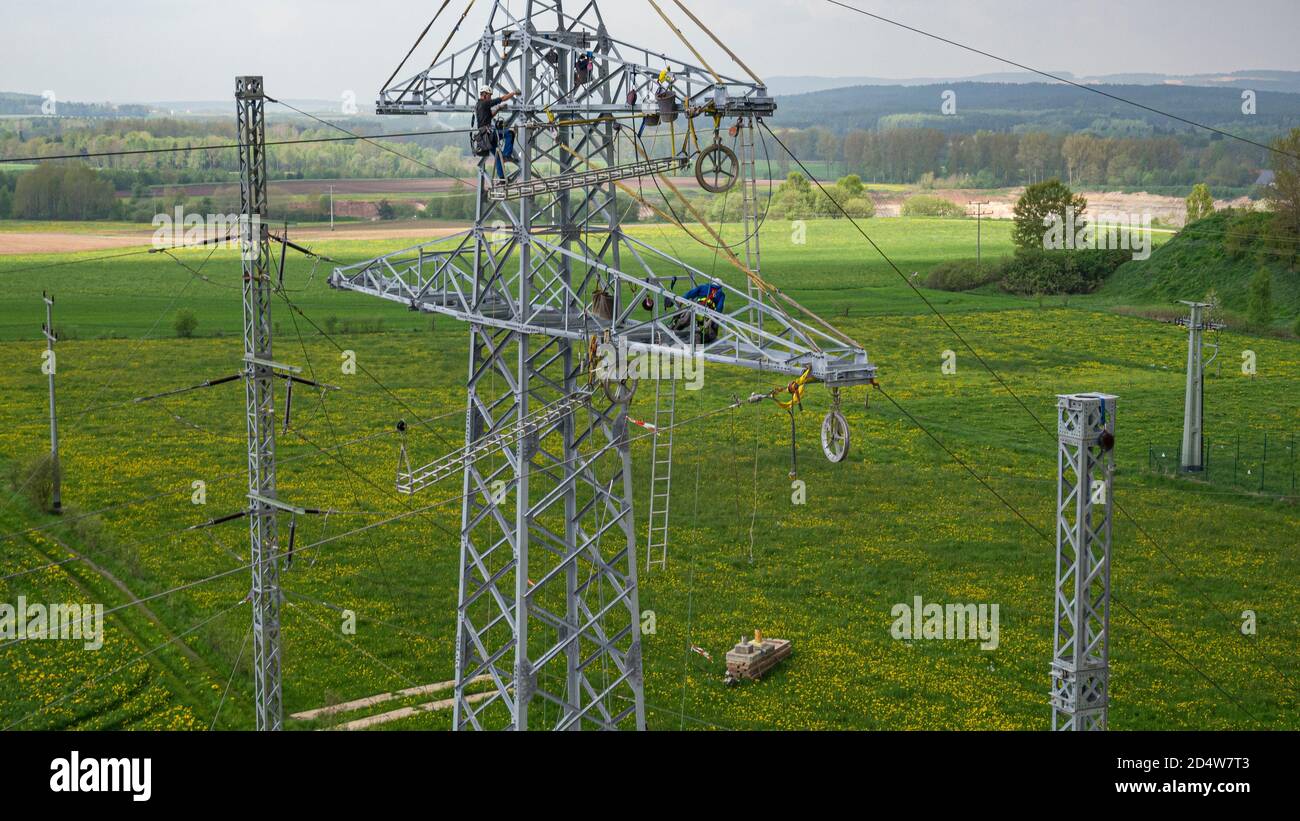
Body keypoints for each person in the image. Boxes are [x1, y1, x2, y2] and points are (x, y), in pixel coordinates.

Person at [474, 87, 519, 157]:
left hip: (485, 137)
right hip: (488, 134)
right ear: (485, 94)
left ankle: (502, 158)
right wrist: (514, 93)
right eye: (489, 95)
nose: (490, 97)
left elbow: (489, 116)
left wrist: (498, 109)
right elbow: (502, 98)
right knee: (510, 133)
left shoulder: (478, 104)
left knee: (498, 157)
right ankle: (506, 155)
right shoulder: (485, 103)